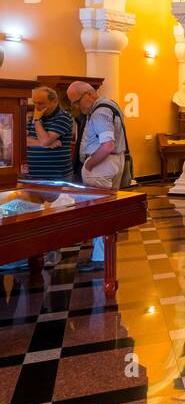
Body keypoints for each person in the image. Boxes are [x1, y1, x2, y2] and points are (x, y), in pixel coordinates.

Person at [67, 81, 129, 271]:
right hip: (114, 162)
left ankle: (101, 257)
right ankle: (104, 254)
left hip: (101, 166)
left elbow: (107, 145)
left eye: (76, 102)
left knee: (99, 213)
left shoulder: (100, 112)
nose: (77, 107)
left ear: (88, 94)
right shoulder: (111, 104)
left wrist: (89, 165)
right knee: (107, 212)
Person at [26, 86, 74, 182]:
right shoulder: (34, 115)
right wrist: (43, 144)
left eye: (40, 103)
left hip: (57, 177)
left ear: (55, 101)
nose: (36, 107)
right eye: (34, 103)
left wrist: (37, 120)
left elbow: (45, 141)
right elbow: (20, 139)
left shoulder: (63, 117)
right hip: (32, 175)